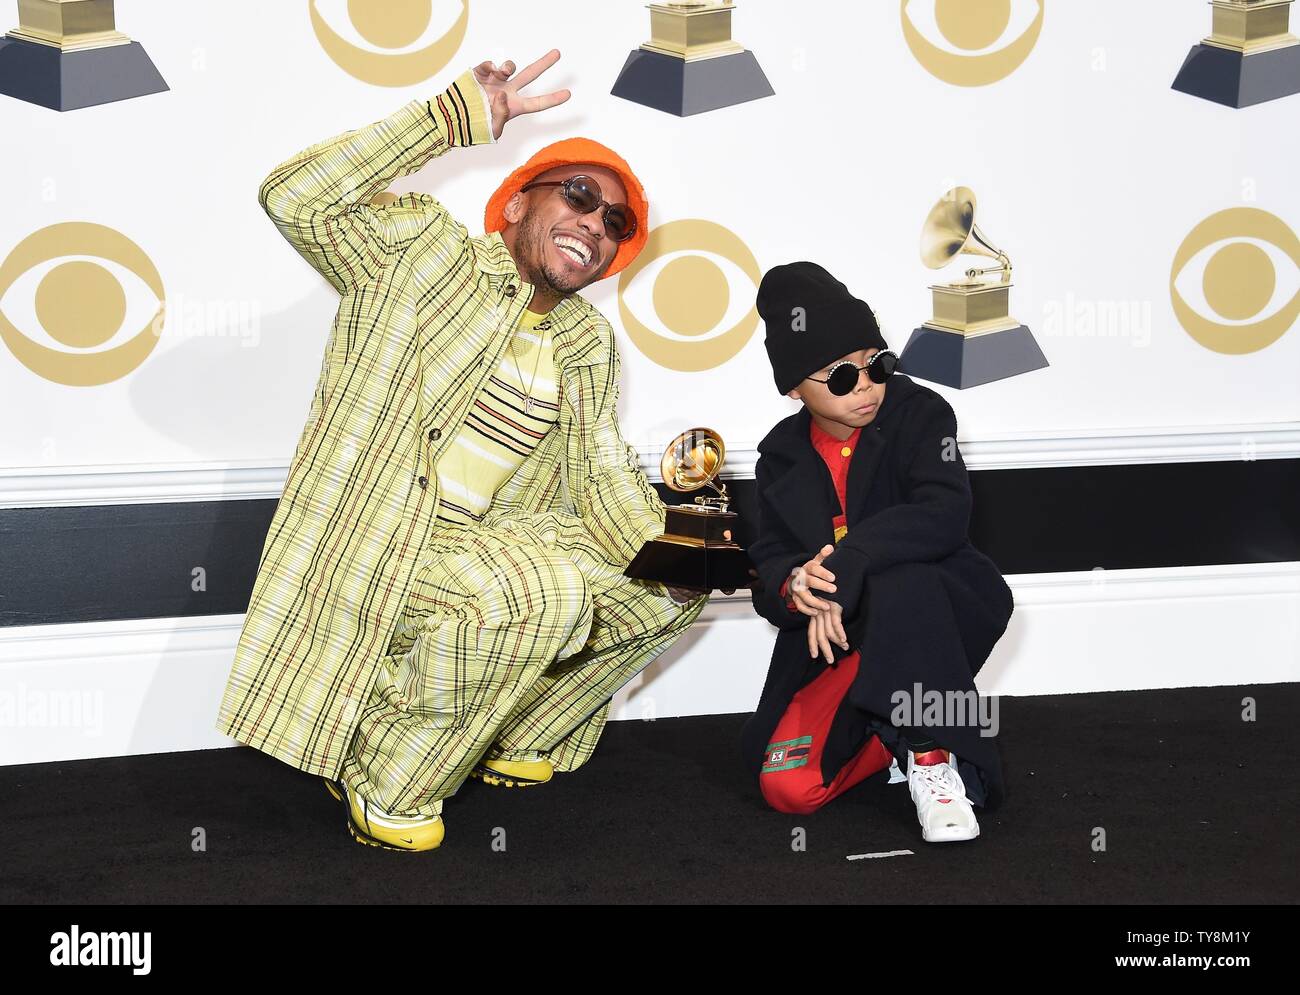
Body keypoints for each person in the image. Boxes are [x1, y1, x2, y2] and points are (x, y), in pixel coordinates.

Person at [216, 50, 719, 852]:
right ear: (517, 201)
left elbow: (597, 475)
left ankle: (510, 731)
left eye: (615, 223)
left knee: (671, 586)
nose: (595, 224)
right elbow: (295, 199)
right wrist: (448, 119)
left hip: (487, 546)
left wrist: (689, 552)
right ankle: (388, 772)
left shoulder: (587, 339)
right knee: (543, 593)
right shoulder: (424, 253)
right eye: (580, 197)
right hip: (385, 537)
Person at [741, 261, 1015, 843]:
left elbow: (941, 514)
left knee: (901, 576)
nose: (865, 385)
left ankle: (929, 753)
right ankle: (893, 733)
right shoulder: (779, 456)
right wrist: (797, 585)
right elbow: (767, 563)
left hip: (932, 612)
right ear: (795, 388)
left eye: (877, 364)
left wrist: (848, 561)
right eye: (839, 378)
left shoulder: (921, 414)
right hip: (839, 638)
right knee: (788, 789)